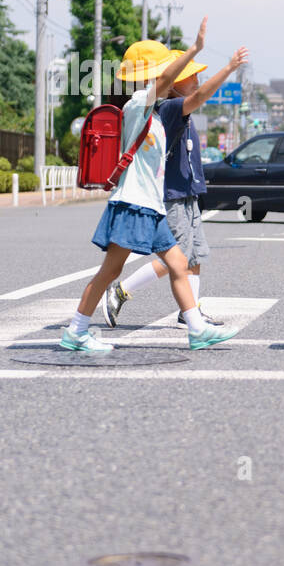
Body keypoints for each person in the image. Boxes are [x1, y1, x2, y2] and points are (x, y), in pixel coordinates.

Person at [59, 20, 237, 352]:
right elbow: (171, 82)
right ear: (152, 74)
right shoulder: (139, 102)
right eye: (165, 68)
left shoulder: (154, 114)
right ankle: (76, 330)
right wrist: (196, 49)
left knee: (179, 264)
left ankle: (196, 329)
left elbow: (187, 93)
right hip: (132, 205)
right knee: (109, 273)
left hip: (151, 207)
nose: (173, 73)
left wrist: (217, 63)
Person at [101, 46, 249, 329]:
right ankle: (120, 291)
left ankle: (189, 310)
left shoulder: (176, 109)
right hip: (171, 195)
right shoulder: (168, 108)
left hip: (187, 192)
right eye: (189, 75)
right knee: (177, 256)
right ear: (173, 83)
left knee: (194, 255)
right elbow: (199, 96)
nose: (194, 80)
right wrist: (229, 69)